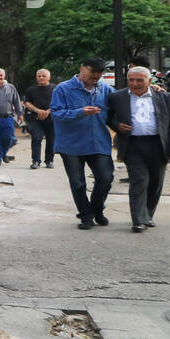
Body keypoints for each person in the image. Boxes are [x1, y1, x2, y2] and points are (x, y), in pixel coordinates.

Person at [108, 67, 170, 233]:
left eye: (139, 80)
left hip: (158, 145)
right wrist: (117, 125)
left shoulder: (164, 97)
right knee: (139, 181)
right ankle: (138, 220)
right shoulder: (117, 97)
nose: (134, 83)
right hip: (132, 146)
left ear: (150, 82)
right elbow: (108, 116)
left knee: (155, 183)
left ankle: (147, 215)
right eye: (131, 80)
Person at [51, 57, 115, 230]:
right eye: (92, 73)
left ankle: (96, 209)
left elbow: (124, 100)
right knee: (78, 182)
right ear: (82, 69)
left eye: (99, 74)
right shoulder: (63, 89)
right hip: (71, 145)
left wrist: (153, 89)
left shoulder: (106, 90)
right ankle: (86, 216)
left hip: (98, 143)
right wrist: (80, 112)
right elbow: (56, 113)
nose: (95, 77)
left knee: (106, 178)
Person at [22, 69, 57, 168]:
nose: (41, 78)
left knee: (51, 140)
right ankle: (36, 161)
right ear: (36, 77)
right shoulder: (31, 90)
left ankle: (49, 160)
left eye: (44, 76)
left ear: (49, 77)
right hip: (35, 118)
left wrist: (47, 111)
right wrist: (39, 111)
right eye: (39, 76)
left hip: (52, 118)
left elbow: (60, 102)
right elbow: (27, 103)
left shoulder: (56, 89)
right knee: (37, 138)